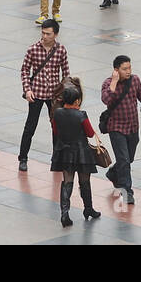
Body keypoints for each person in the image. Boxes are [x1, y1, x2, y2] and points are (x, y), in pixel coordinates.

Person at [101, 55, 141, 204]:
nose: (128, 71)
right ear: (116, 70)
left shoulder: (135, 80)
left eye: (129, 68)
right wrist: (114, 81)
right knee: (124, 160)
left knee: (128, 159)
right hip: (116, 128)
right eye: (124, 69)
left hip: (133, 127)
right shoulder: (108, 83)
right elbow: (106, 99)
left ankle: (114, 173)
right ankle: (127, 193)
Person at [18, 19, 69, 172]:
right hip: (36, 93)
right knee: (30, 127)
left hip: (54, 95)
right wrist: (27, 89)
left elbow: (66, 74)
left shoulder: (61, 50)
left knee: (57, 127)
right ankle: (23, 158)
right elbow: (25, 71)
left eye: (48, 34)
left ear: (56, 34)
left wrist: (63, 93)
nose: (45, 36)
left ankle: (57, 158)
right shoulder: (33, 49)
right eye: (43, 33)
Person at [51, 86, 102, 226]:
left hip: (65, 152)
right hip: (82, 153)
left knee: (67, 182)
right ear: (77, 101)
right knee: (84, 181)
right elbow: (90, 133)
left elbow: (55, 131)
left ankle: (64, 214)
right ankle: (88, 208)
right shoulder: (81, 115)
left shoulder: (57, 113)